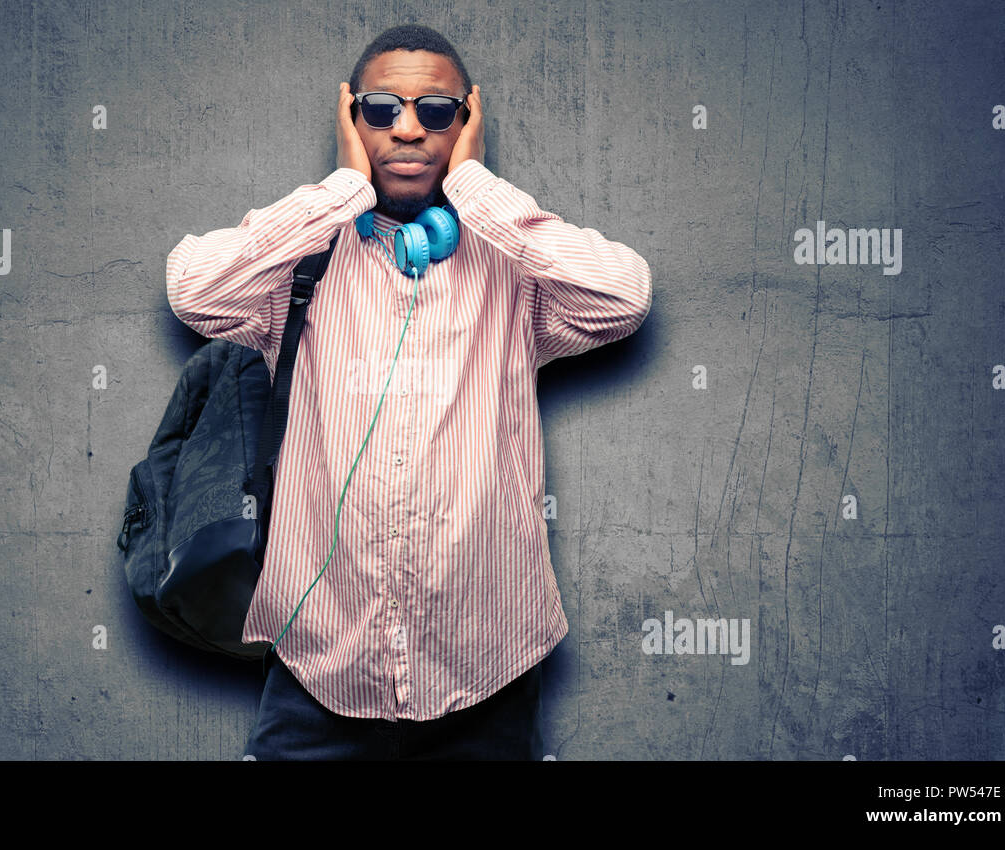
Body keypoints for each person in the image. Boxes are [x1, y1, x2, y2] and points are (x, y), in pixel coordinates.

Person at [166, 24, 652, 760]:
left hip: (485, 671)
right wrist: (343, 188)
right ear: (351, 118)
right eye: (383, 106)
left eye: (435, 111)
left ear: (465, 124)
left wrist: (473, 185)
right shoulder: (299, 271)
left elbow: (625, 296)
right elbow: (191, 287)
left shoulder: (514, 279)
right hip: (320, 671)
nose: (407, 128)